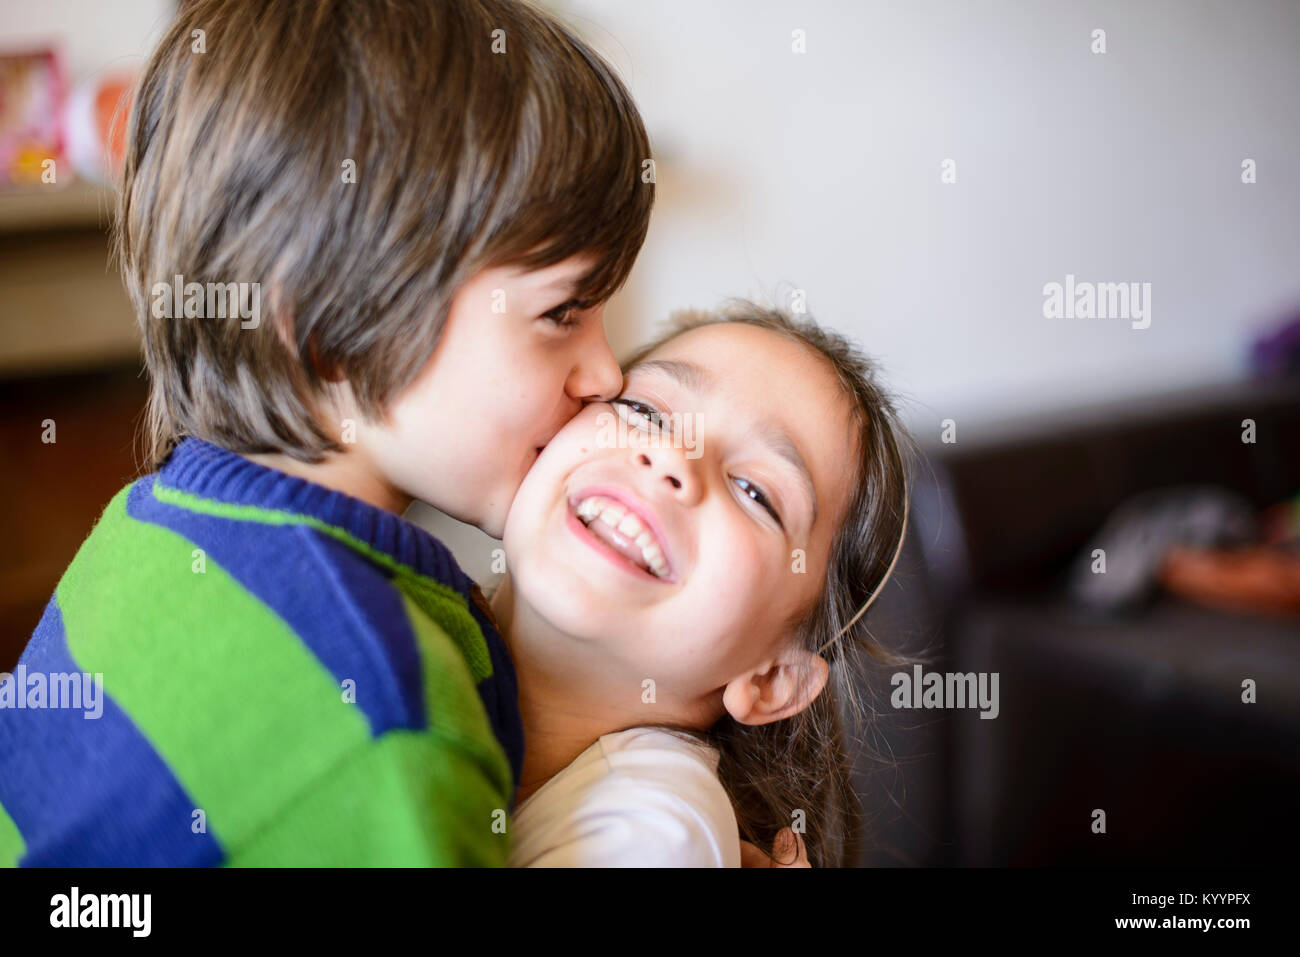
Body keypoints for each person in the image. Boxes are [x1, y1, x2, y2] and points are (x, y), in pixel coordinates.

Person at [0, 0, 652, 867]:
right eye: (561, 312)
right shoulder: (384, 726)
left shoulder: (152, 521)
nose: (606, 376)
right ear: (332, 327)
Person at [495, 301, 914, 867]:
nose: (672, 455)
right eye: (644, 410)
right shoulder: (401, 606)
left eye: (754, 491)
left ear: (773, 678)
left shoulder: (657, 831)